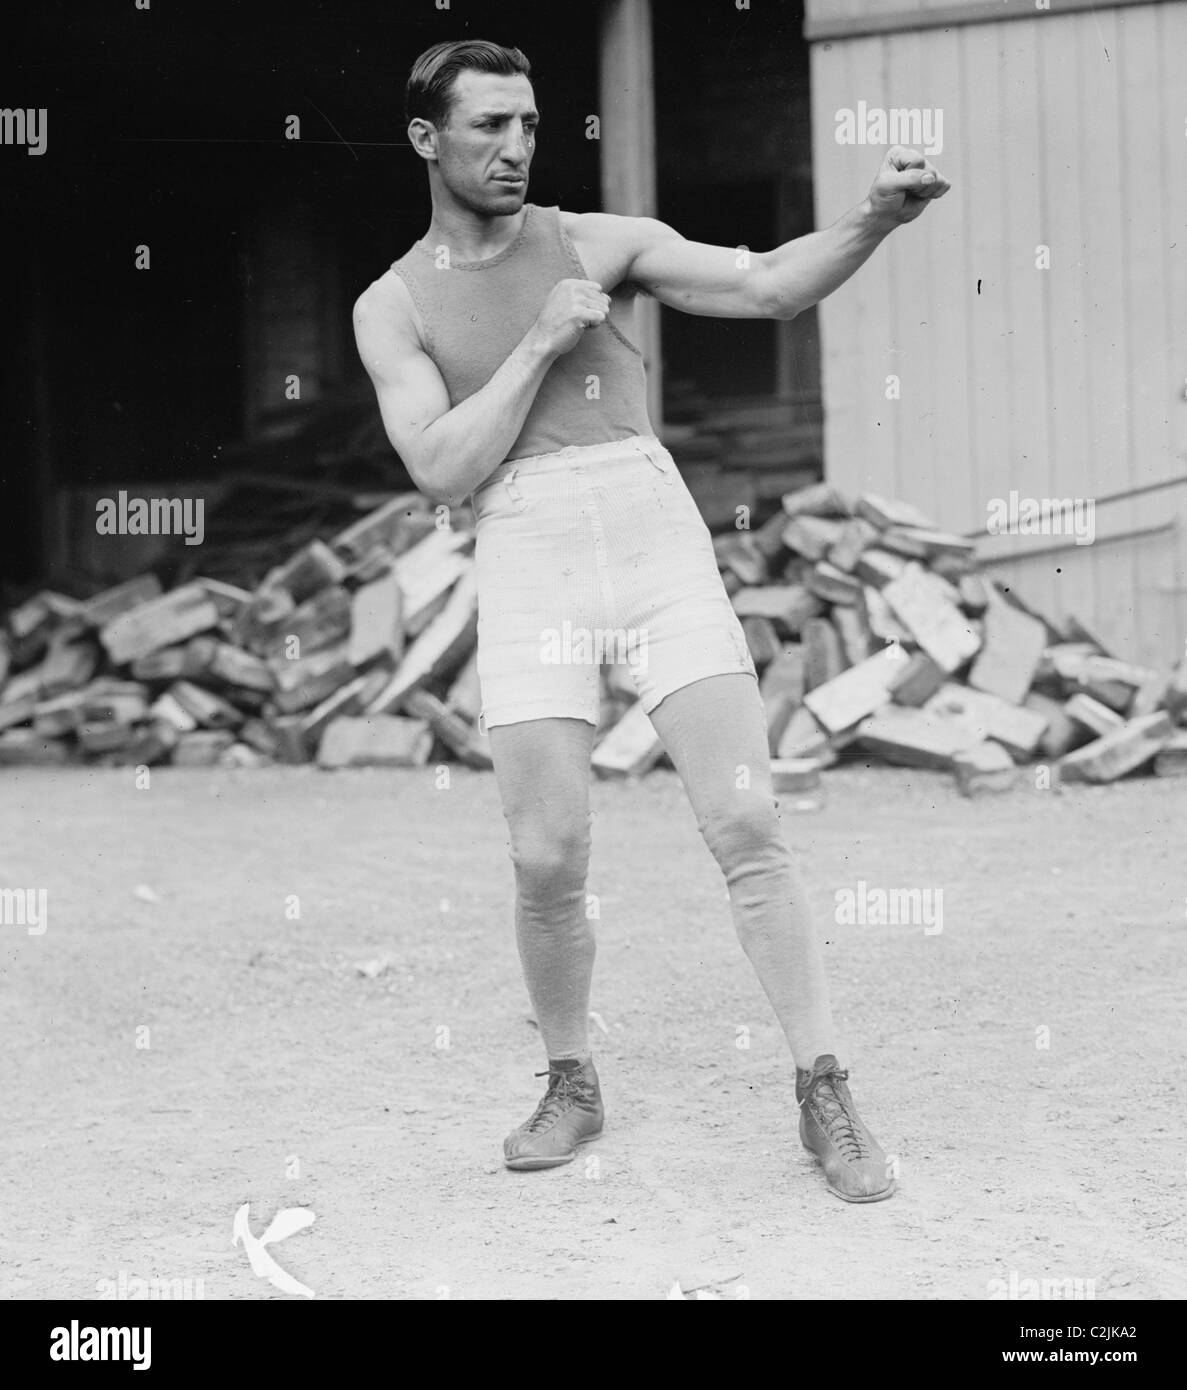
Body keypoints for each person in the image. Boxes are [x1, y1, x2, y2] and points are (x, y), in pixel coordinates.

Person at [354, 39, 949, 1203]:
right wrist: (535, 343)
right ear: (427, 140)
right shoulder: (392, 304)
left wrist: (874, 219)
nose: (516, 147)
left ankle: (821, 1084)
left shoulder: (595, 239)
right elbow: (438, 468)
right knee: (546, 854)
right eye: (487, 127)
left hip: (649, 527)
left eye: (527, 123)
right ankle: (571, 1078)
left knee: (746, 825)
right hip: (524, 545)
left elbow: (768, 282)